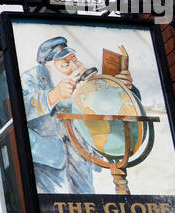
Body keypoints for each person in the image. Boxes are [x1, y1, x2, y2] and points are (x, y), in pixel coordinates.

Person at [20, 36, 134, 195]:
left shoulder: (83, 73)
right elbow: (17, 111)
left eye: (74, 59)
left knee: (86, 201)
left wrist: (124, 87)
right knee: (52, 205)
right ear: (49, 67)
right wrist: (53, 96)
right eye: (65, 64)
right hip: (47, 158)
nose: (74, 66)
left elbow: (112, 105)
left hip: (80, 149)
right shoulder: (29, 79)